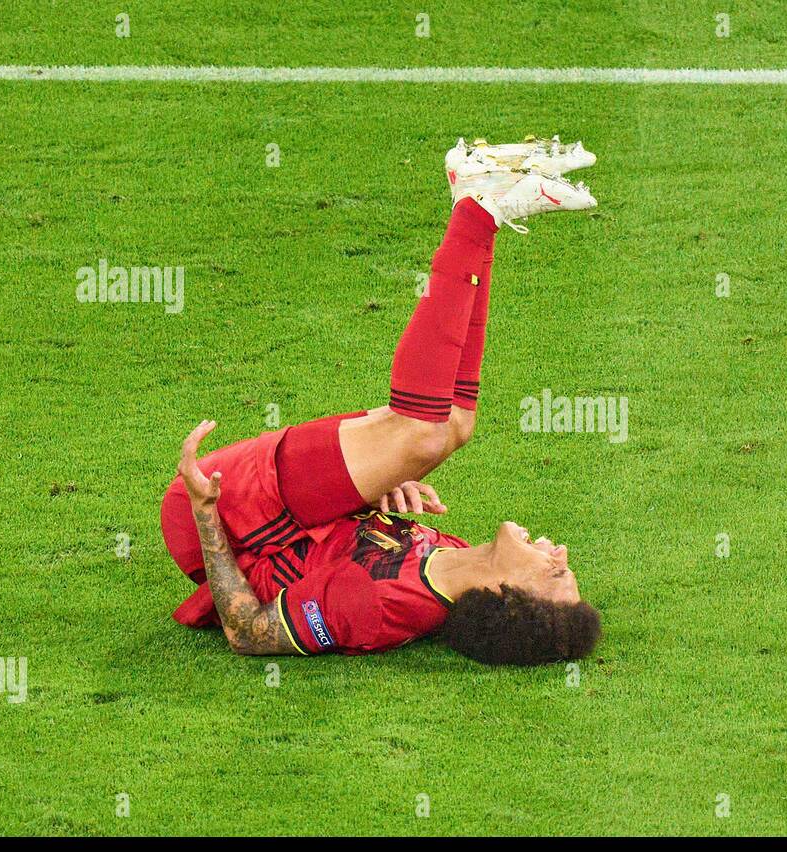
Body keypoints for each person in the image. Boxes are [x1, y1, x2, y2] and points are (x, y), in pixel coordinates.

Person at [160, 137, 603, 665]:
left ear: (509, 594)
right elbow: (340, 546)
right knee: (454, 426)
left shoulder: (378, 607)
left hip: (230, 516)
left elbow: (250, 633)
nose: (561, 552)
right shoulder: (452, 554)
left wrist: (206, 514)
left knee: (421, 435)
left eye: (554, 569)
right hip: (295, 515)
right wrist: (374, 490)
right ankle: (487, 206)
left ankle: (477, 210)